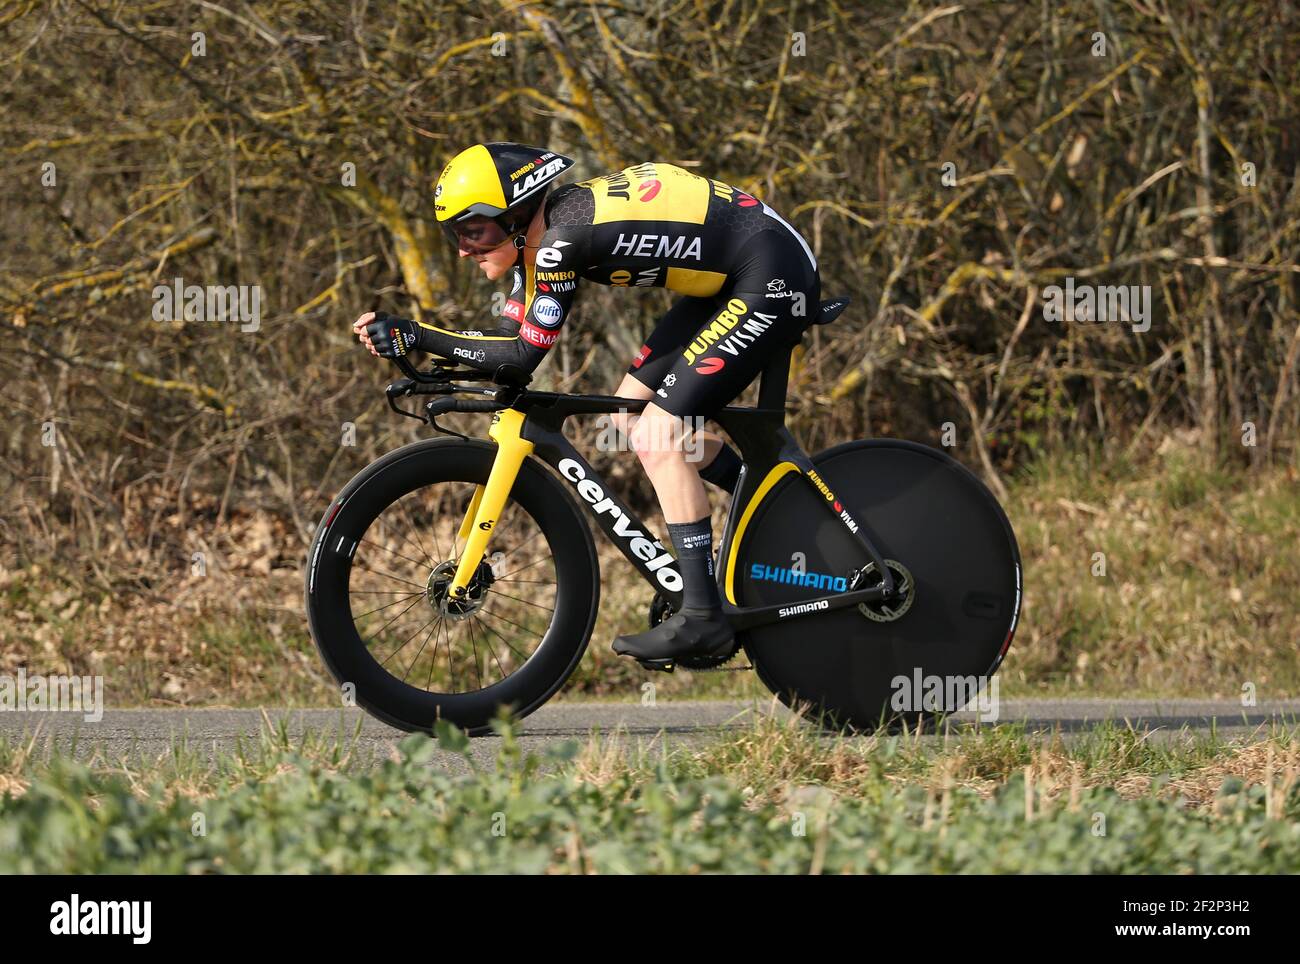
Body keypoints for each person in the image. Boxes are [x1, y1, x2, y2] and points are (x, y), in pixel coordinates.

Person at [354, 142, 820, 664]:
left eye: (472, 230)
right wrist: (426, 349)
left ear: (515, 215)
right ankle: (761, 501)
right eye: (454, 234)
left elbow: (522, 355)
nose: (462, 249)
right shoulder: (539, 243)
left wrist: (419, 333)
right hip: (730, 278)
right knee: (628, 415)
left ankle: (704, 617)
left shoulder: (560, 240)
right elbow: (506, 344)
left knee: (658, 434)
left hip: (771, 275)